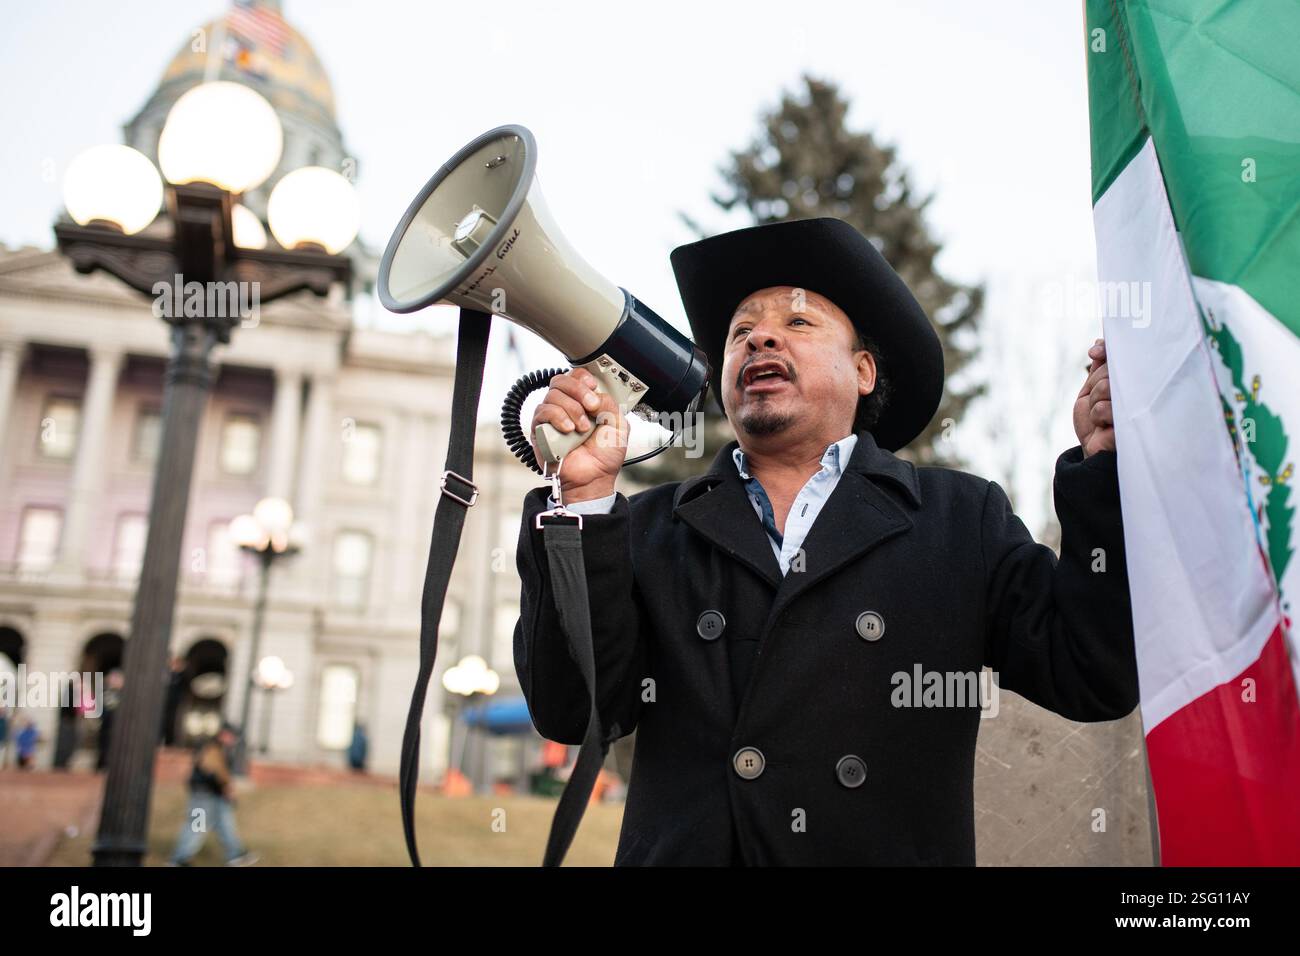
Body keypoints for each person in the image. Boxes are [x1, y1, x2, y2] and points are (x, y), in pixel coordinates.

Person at [514, 217, 1137, 866]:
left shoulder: (960, 520)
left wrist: (1104, 471)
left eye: (799, 323)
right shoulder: (643, 526)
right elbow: (573, 713)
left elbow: (1093, 674)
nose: (760, 336)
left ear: (864, 371)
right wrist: (583, 501)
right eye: (740, 332)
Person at [168, 722, 258, 866]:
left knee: (225, 824)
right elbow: (212, 773)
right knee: (197, 826)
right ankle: (180, 859)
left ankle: (236, 855)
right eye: (232, 736)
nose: (233, 740)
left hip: (216, 794)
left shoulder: (221, 749)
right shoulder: (211, 748)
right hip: (203, 794)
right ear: (224, 734)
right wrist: (226, 788)